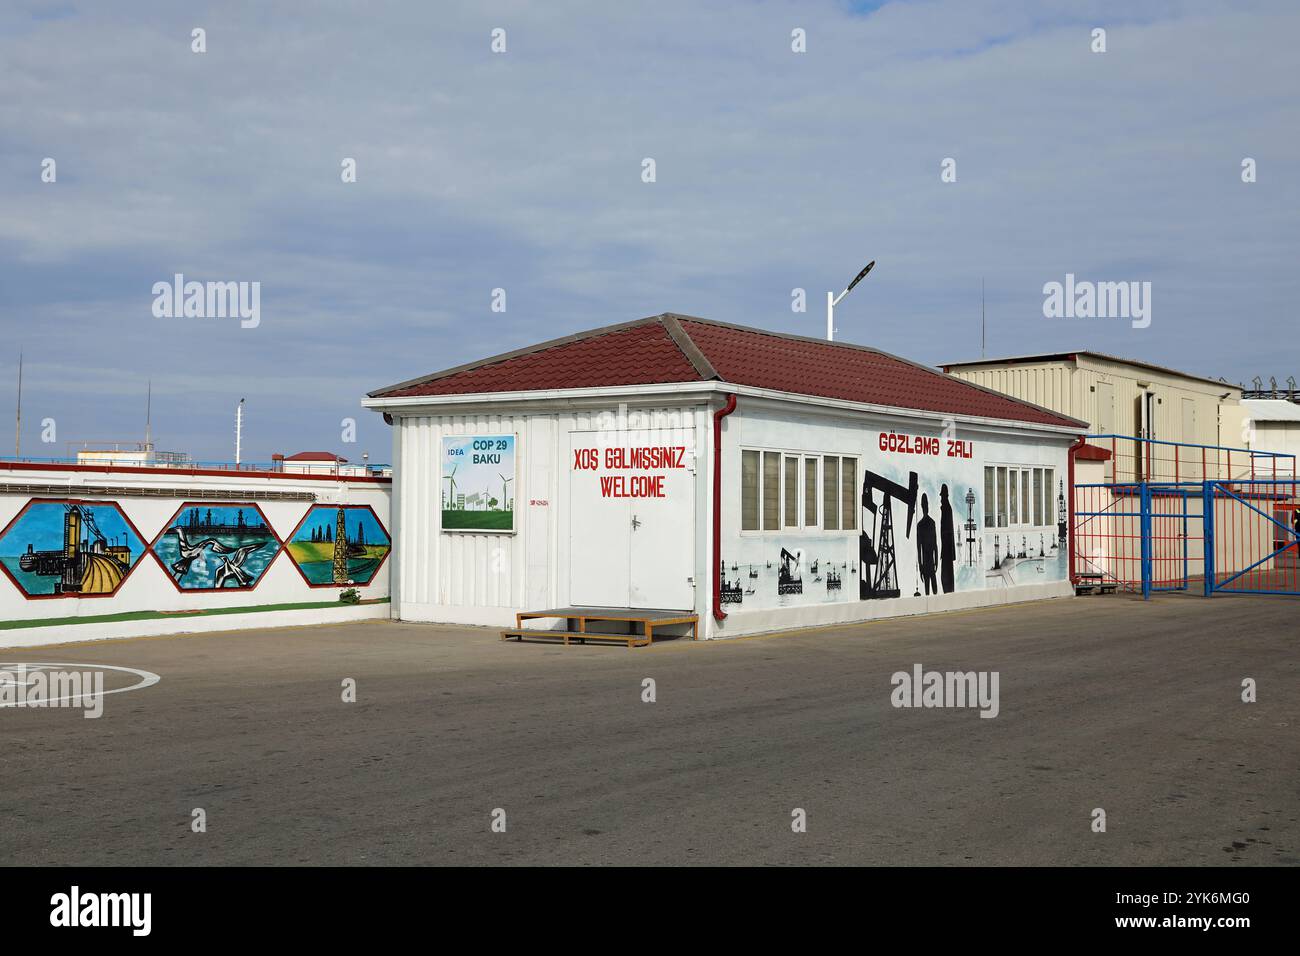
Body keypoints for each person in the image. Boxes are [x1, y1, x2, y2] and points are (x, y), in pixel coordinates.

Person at [916, 493, 938, 596]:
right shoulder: (925, 524)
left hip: (928, 562)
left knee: (931, 589)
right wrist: (920, 565)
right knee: (930, 590)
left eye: (926, 505)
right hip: (927, 563)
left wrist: (936, 561)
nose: (926, 507)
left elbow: (935, 544)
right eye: (925, 505)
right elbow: (919, 548)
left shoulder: (924, 524)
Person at [940, 483, 957, 593]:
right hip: (947, 548)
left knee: (946, 574)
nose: (941, 498)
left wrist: (943, 549)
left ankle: (948, 591)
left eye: (942, 496)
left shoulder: (946, 508)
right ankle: (948, 591)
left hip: (946, 548)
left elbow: (947, 531)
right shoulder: (946, 508)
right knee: (946, 573)